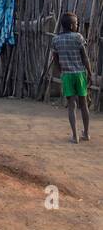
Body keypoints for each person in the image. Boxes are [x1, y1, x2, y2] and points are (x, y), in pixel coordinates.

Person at [49, 12, 93, 143]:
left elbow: (55, 60)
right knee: (84, 105)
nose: (77, 25)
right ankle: (86, 133)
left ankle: (75, 136)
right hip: (80, 74)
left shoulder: (56, 40)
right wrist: (89, 72)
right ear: (71, 25)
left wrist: (61, 71)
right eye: (76, 23)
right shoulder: (78, 37)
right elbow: (84, 57)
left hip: (67, 75)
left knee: (71, 105)